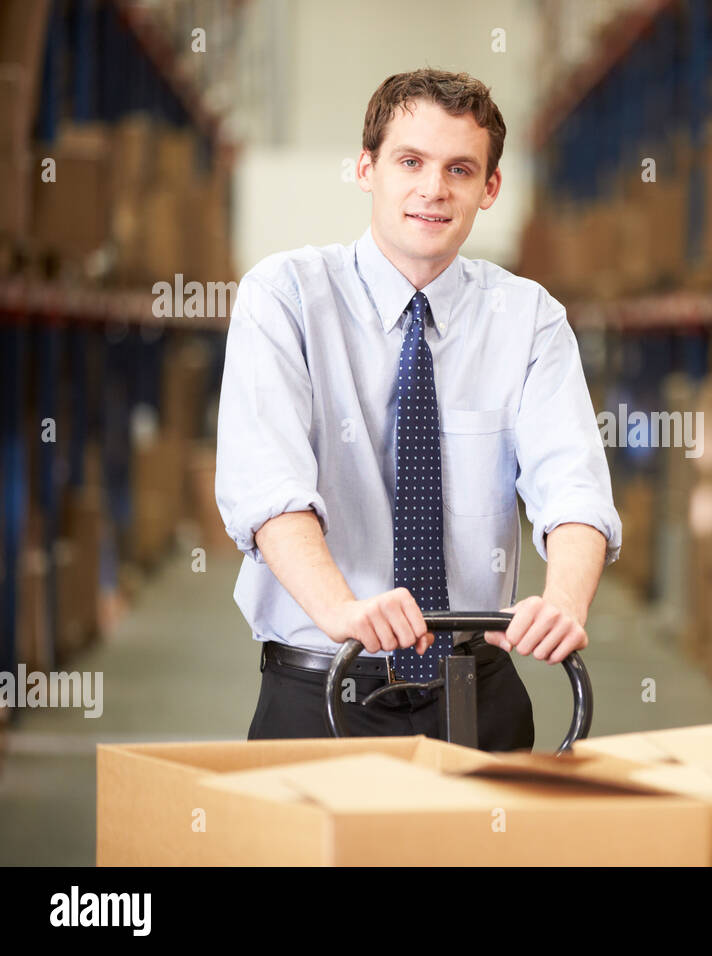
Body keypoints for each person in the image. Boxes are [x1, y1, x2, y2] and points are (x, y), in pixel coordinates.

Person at [215, 69, 621, 750]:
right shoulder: (284, 298)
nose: (434, 189)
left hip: (477, 695)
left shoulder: (528, 319)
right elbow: (267, 489)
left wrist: (564, 603)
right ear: (366, 169)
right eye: (411, 162)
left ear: (490, 189)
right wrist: (342, 611)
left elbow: (574, 485)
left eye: (460, 169)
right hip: (319, 692)